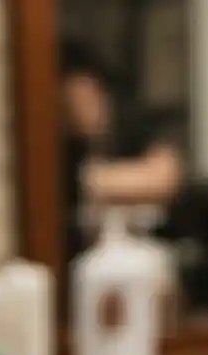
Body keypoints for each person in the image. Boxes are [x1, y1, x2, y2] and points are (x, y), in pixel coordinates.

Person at [61, 40, 183, 258]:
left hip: (146, 248)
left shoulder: (129, 122)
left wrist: (92, 182)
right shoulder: (60, 148)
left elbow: (166, 177)